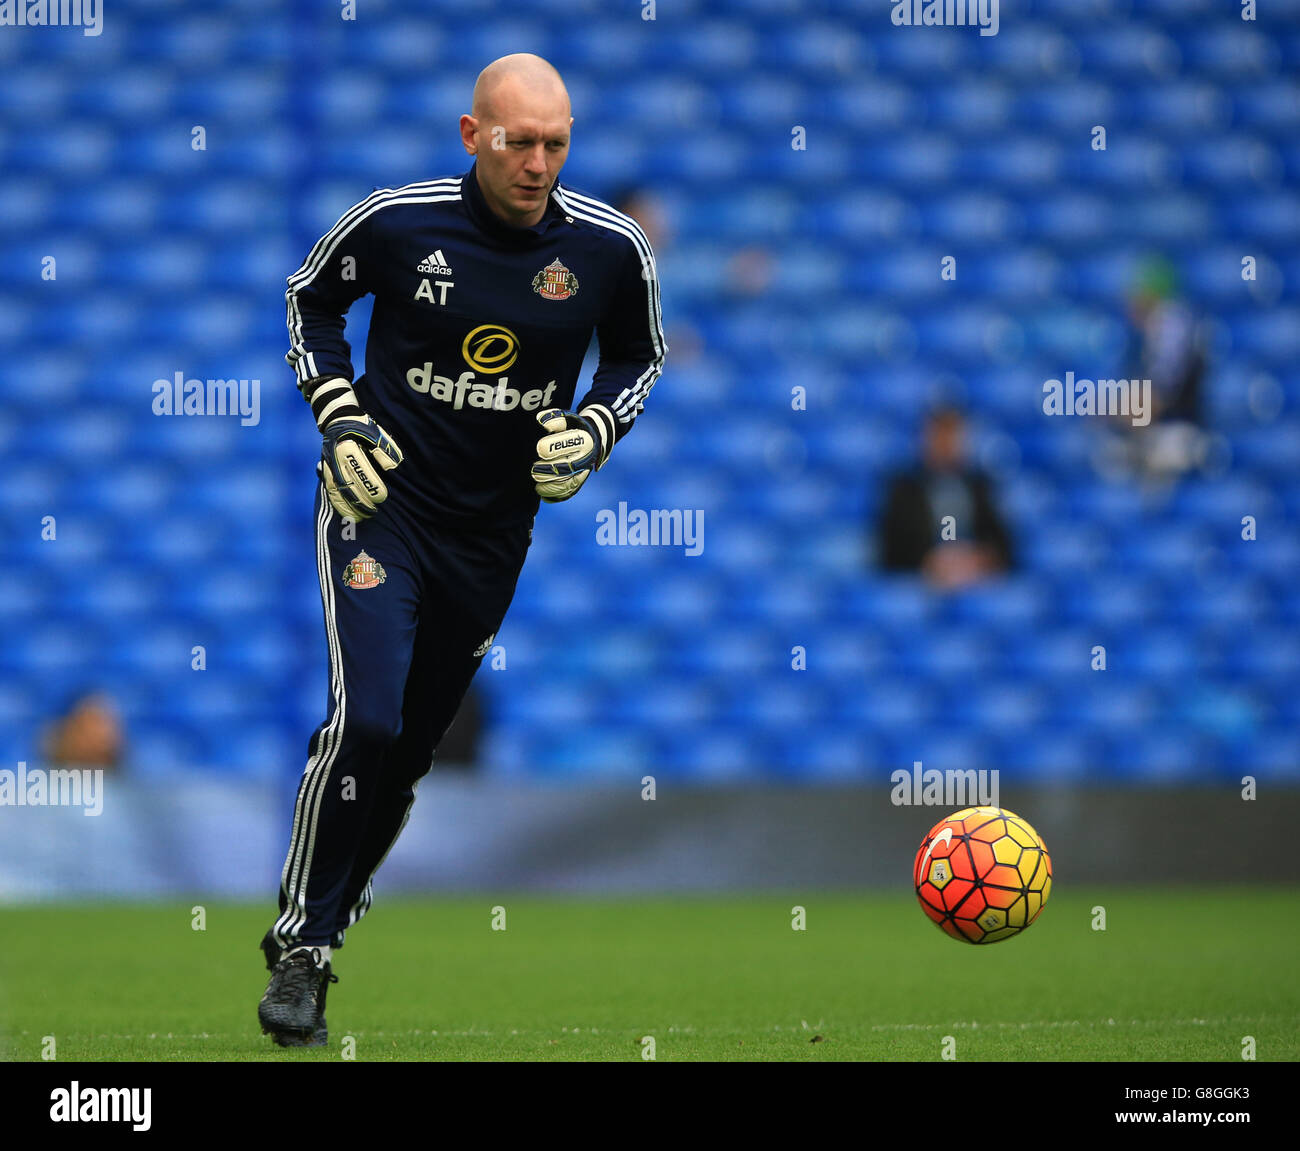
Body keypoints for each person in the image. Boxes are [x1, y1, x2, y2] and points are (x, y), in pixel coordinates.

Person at [258, 53, 666, 1047]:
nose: (537, 163)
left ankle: (327, 905)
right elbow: (311, 298)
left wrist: (594, 431)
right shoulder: (398, 223)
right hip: (379, 503)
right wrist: (340, 415)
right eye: (518, 141)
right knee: (368, 715)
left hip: (491, 532)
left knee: (407, 751)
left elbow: (635, 354)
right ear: (471, 134)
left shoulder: (610, 250)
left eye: (555, 143)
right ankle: (304, 947)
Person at [877, 406, 1013, 590]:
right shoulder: (903, 490)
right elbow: (890, 549)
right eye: (940, 434)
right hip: (921, 584)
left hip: (975, 582)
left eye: (952, 434)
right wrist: (929, 561)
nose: (946, 443)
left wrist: (979, 559)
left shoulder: (980, 486)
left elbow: (1003, 544)